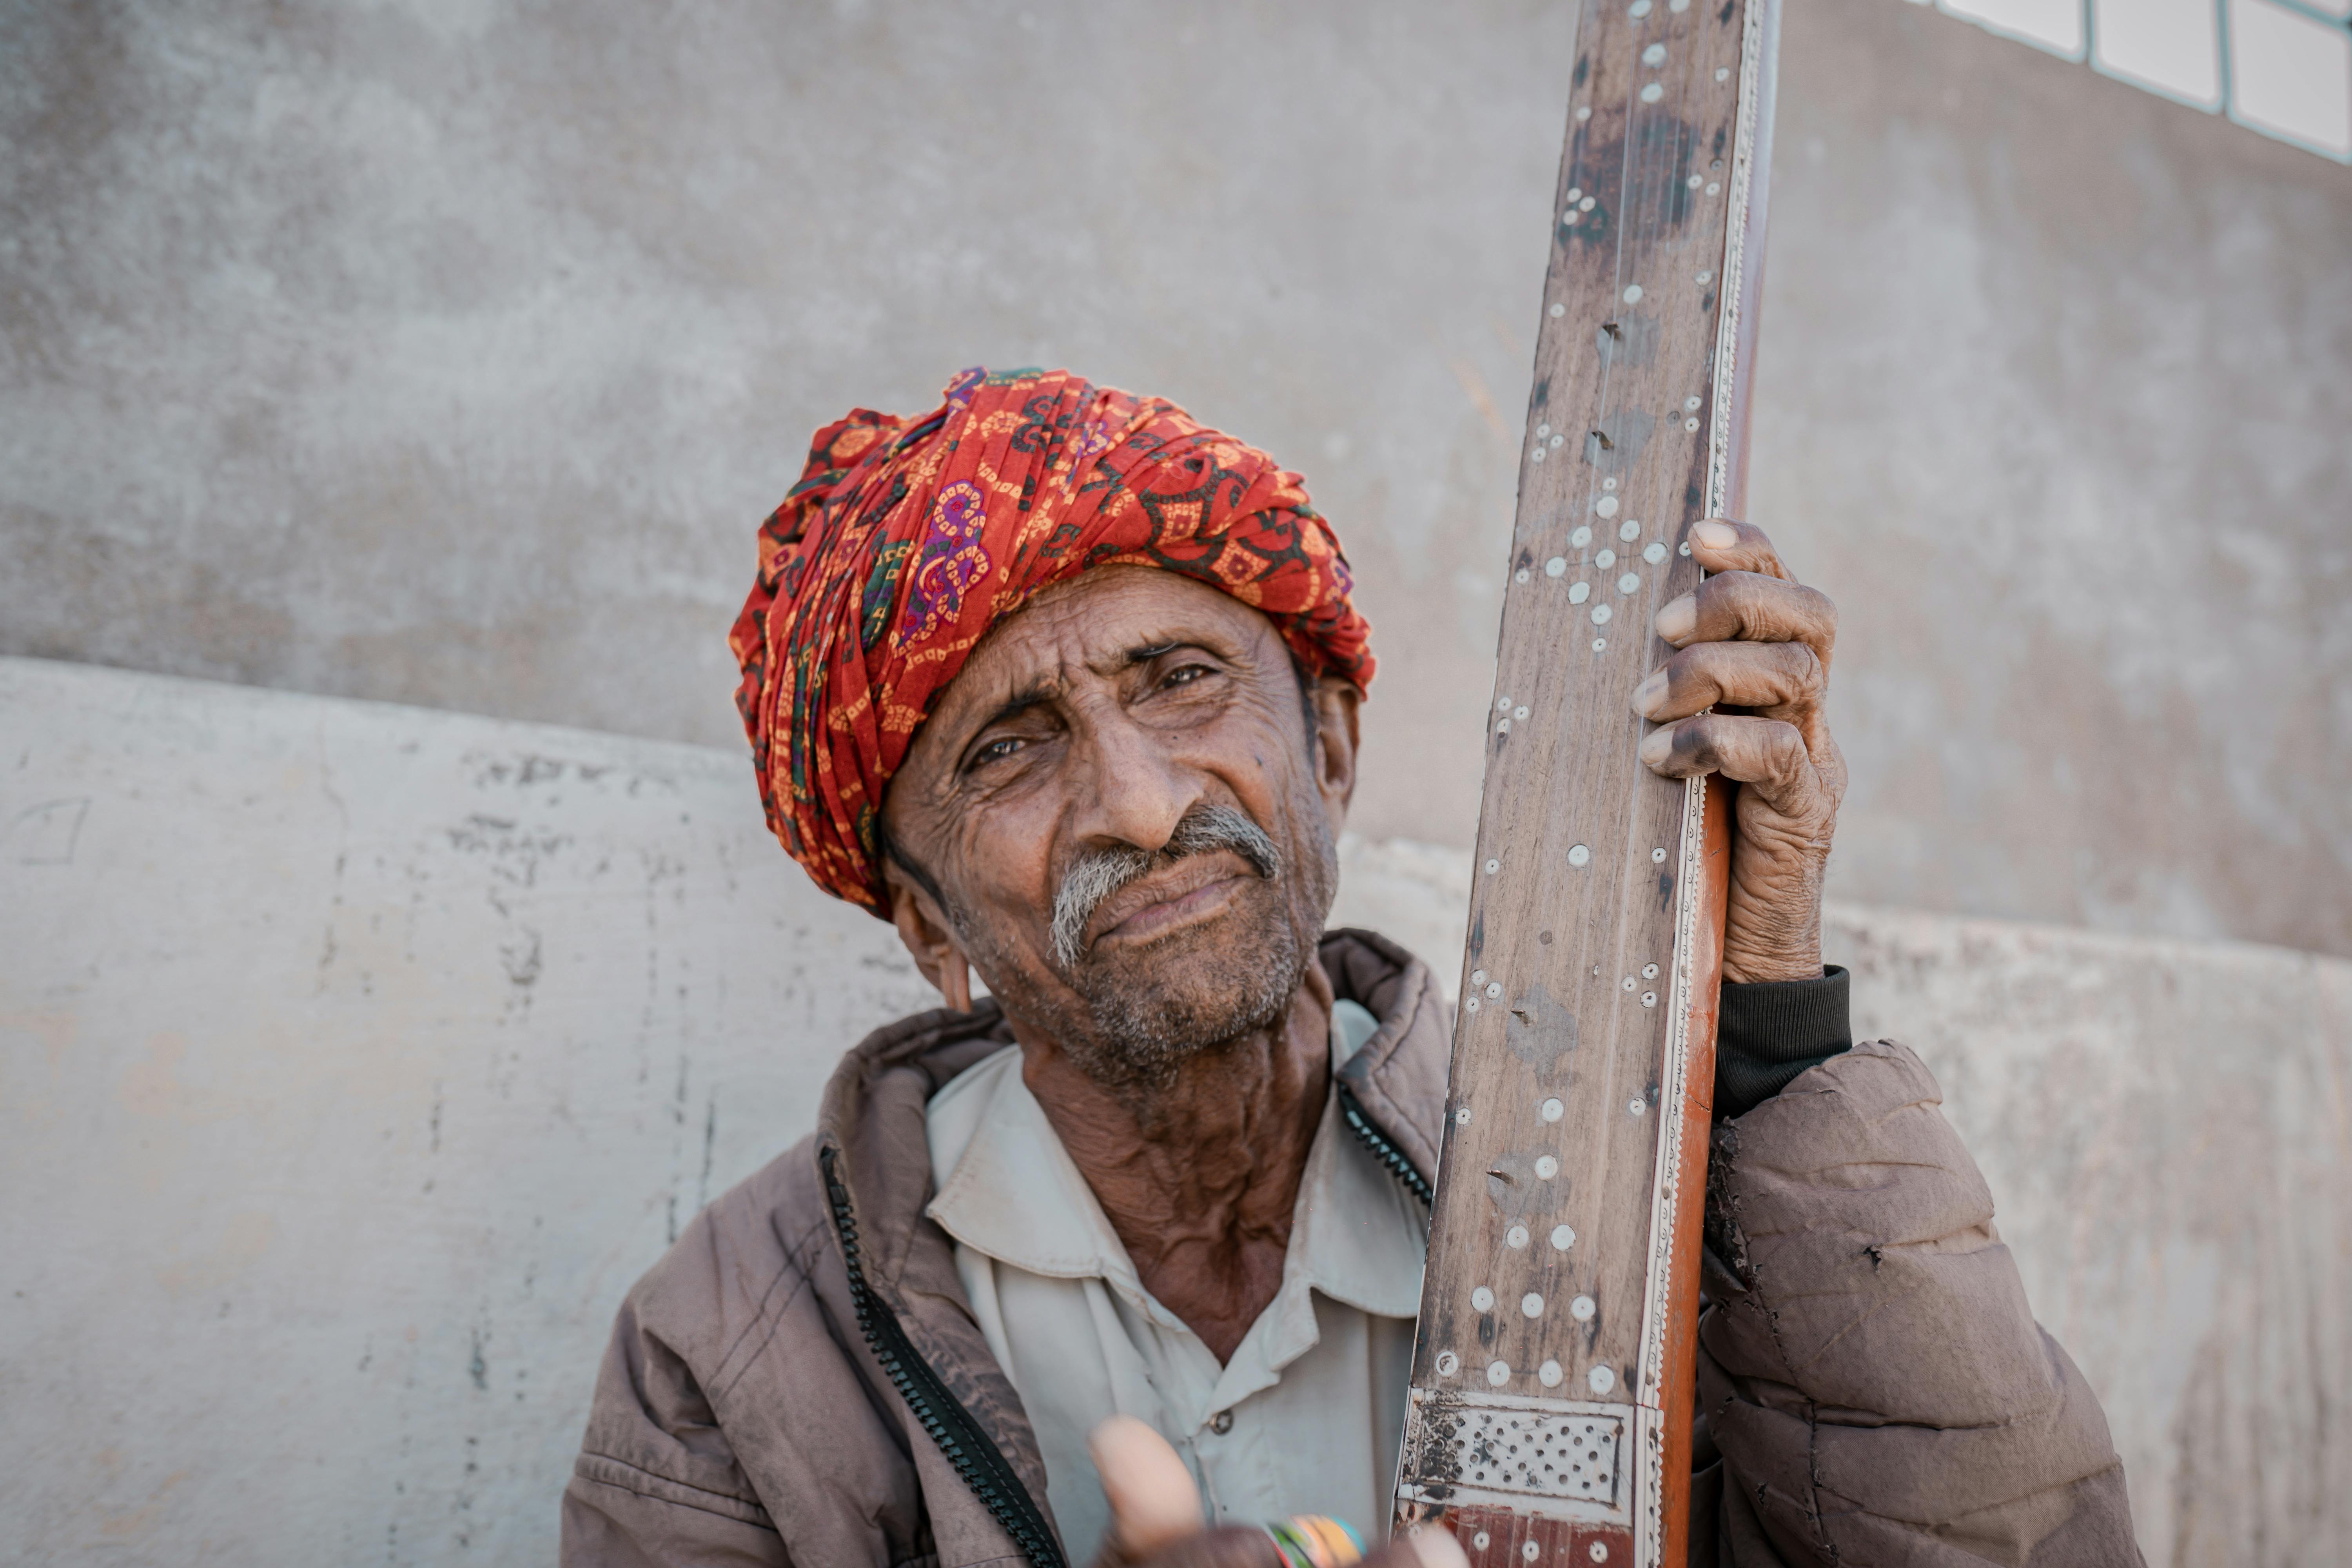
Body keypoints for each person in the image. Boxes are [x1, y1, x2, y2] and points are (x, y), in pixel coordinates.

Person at [561, 367, 2141, 1567]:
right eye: (1009, 752)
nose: (1141, 800)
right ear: (922, 925)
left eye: (1182, 679)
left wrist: (1770, 1031)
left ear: (1329, 741)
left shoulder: (1617, 1195)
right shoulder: (738, 1343)